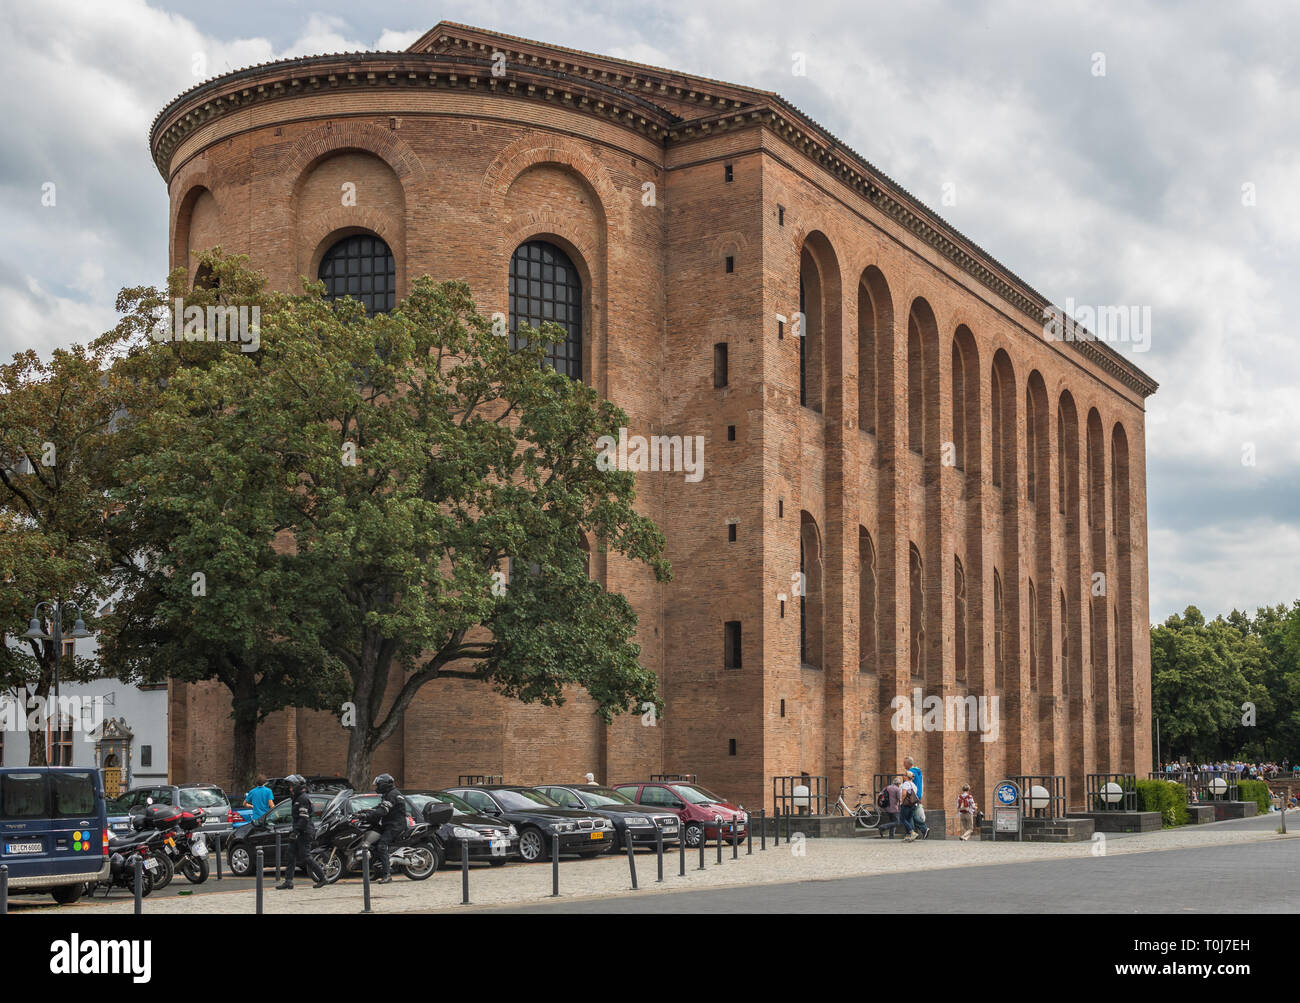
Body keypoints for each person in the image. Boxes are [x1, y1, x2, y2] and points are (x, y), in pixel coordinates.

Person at [277, 775, 326, 889]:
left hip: (304, 832)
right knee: (290, 854)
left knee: (306, 856)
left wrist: (296, 832)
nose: (290, 789)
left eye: (291, 786)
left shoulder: (302, 799)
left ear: (297, 786)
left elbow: (304, 818)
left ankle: (323, 877)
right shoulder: (297, 798)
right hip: (299, 830)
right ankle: (288, 881)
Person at [362, 773, 406, 884]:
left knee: (381, 845)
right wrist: (365, 811)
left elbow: (383, 811)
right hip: (388, 824)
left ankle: (387, 875)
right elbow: (380, 807)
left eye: (378, 785)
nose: (377, 787)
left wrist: (368, 816)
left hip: (395, 825)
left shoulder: (393, 795)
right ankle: (377, 872)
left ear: (385, 784)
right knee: (374, 843)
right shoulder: (388, 794)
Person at [903, 756, 929, 838]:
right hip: (918, 795)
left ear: (908, 764)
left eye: (904, 763)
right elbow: (921, 784)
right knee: (912, 814)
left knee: (909, 815)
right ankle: (917, 831)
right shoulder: (919, 771)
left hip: (911, 797)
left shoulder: (909, 773)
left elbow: (907, 786)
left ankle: (914, 832)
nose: (903, 765)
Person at [899, 772, 921, 841]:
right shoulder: (913, 784)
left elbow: (904, 794)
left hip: (906, 804)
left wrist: (902, 802)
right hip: (913, 804)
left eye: (904, 775)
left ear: (906, 777)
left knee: (902, 819)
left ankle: (912, 832)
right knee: (908, 819)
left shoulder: (906, 784)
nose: (903, 776)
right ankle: (908, 836)